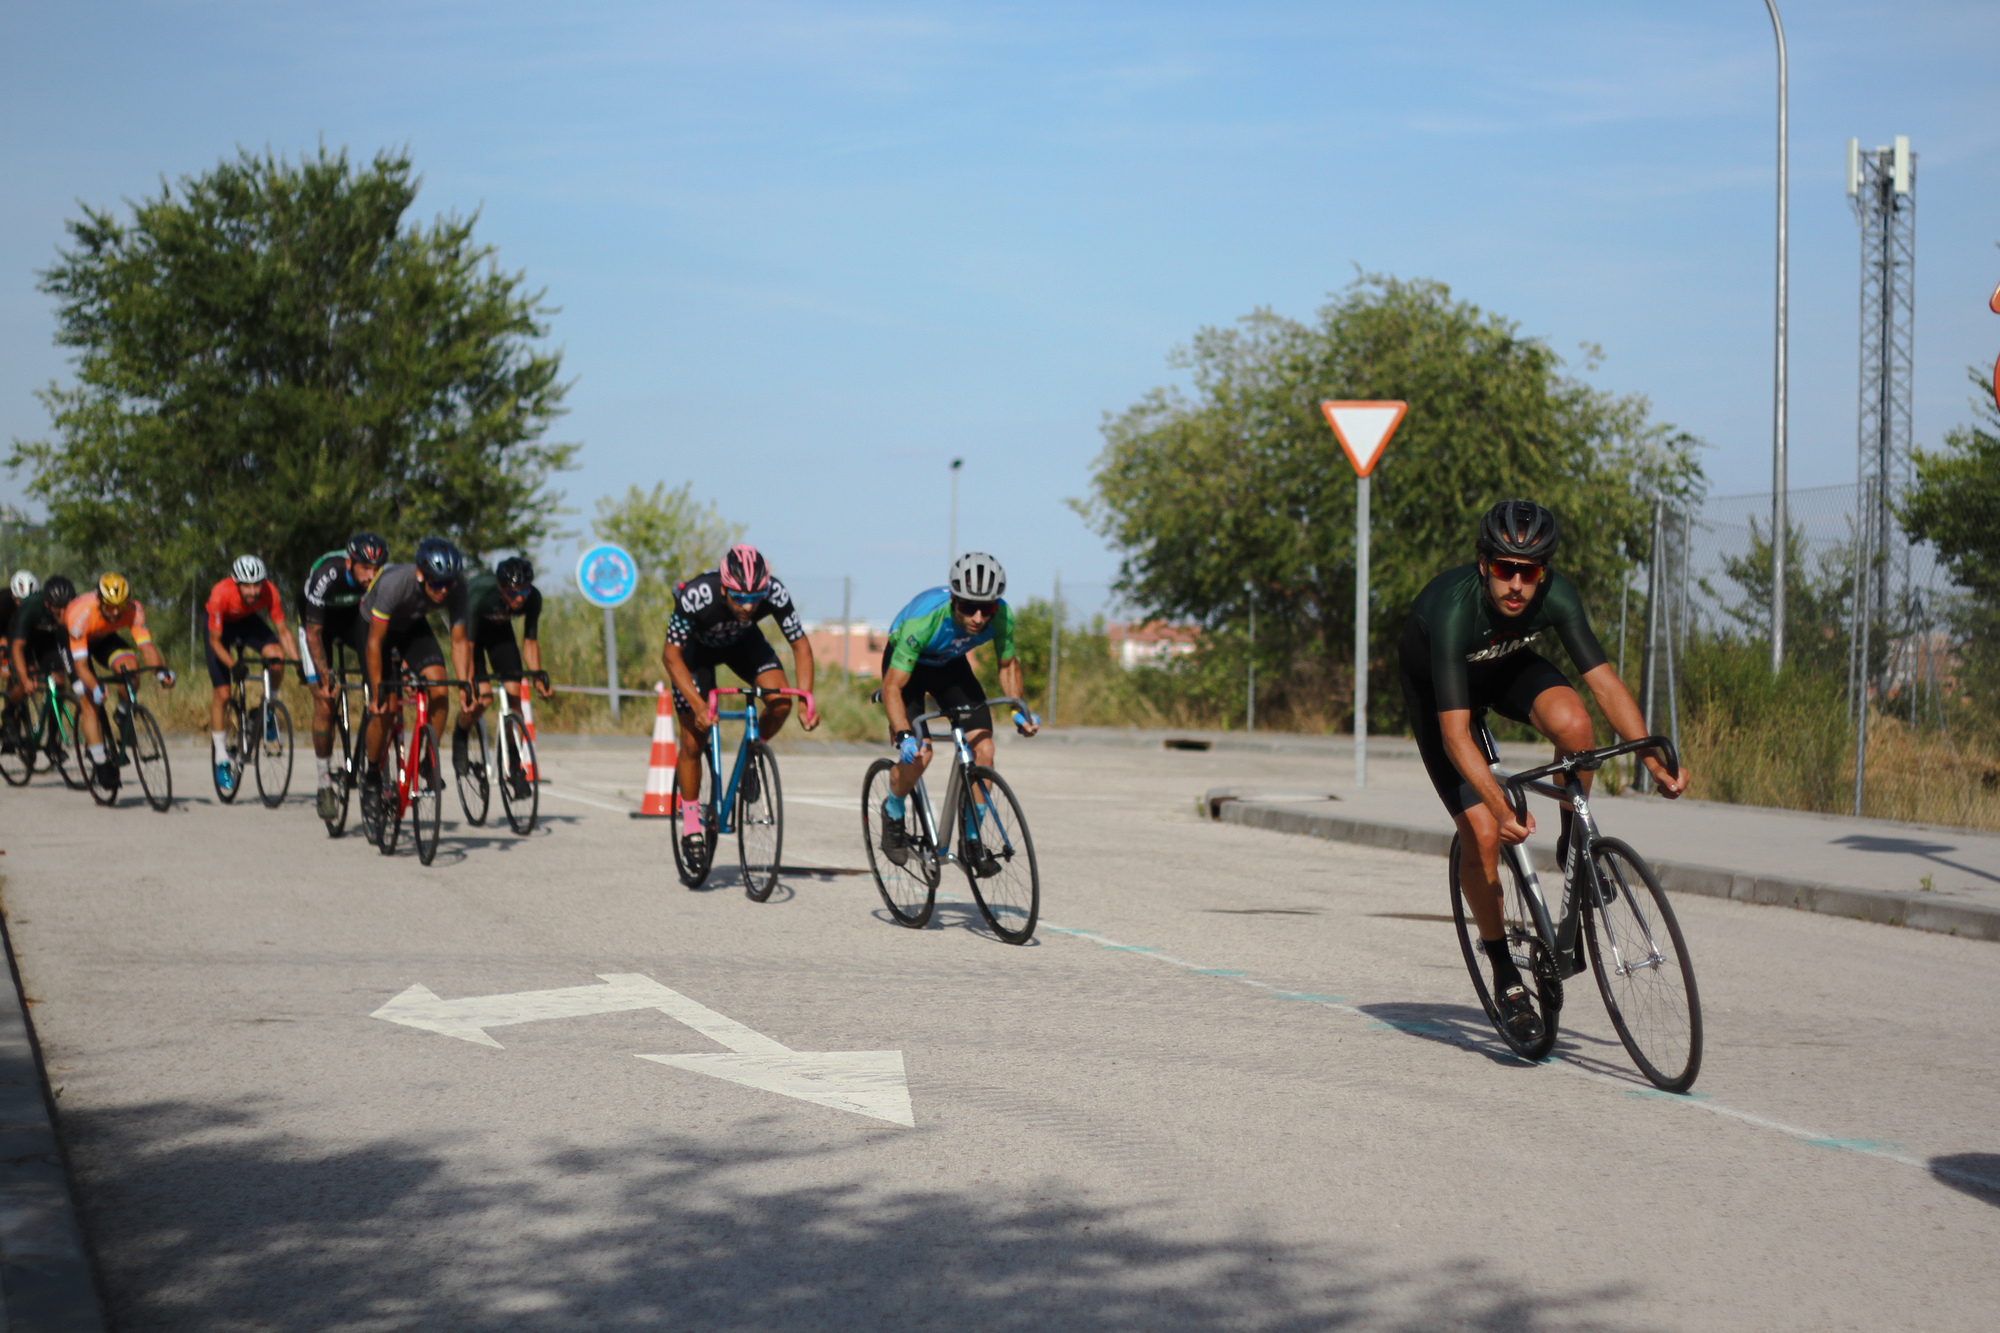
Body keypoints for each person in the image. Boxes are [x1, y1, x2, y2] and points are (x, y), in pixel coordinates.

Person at [1399, 500, 1689, 1046]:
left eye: (1528, 571)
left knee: (1576, 726)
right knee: (1483, 831)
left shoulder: (1556, 596)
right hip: (1443, 690)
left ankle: (1572, 845)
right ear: (1483, 563)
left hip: (1504, 667)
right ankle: (1506, 976)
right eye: (1505, 567)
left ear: (1544, 573)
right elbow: (1456, 737)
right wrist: (1500, 805)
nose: (1516, 583)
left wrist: (1648, 757)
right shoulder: (1452, 610)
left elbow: (1602, 683)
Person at [876, 552, 1039, 872]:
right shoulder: (923, 621)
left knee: (985, 749)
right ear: (954, 600)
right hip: (907, 669)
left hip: (950, 667)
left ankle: (971, 840)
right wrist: (904, 732)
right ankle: (893, 810)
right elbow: (892, 688)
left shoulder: (1003, 616)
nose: (979, 617)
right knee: (920, 754)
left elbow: (1007, 664)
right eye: (969, 607)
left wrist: (1018, 709)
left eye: (987, 608)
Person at [659, 544, 816, 861]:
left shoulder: (775, 593)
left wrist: (805, 697)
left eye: (755, 599)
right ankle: (691, 824)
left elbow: (800, 645)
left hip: (741, 644)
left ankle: (751, 758)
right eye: (740, 598)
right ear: (724, 587)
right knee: (694, 737)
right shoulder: (697, 595)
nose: (748, 606)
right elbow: (671, 656)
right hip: (695, 653)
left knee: (781, 702)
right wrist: (699, 706)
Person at [355, 537, 472, 817]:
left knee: (440, 689)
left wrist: (465, 683)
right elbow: (374, 643)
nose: (443, 591)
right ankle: (371, 776)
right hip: (374, 629)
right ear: (421, 575)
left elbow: (459, 643)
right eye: (436, 584)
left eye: (448, 584)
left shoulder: (456, 588)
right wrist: (376, 690)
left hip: (412, 625)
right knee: (386, 706)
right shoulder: (396, 584)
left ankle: (427, 761)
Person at [301, 533, 387, 818]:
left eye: (376, 569)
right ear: (351, 562)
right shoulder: (329, 573)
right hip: (318, 625)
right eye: (365, 568)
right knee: (325, 702)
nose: (371, 574)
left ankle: (372, 761)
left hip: (354, 621)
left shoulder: (378, 579)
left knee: (381, 688)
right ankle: (324, 780)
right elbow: (313, 632)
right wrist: (325, 677)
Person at [451, 555, 554, 789]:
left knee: (514, 697)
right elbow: (465, 646)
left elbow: (530, 642)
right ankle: (460, 733)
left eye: (524, 592)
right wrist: (465, 683)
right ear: (501, 588)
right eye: (513, 593)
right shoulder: (480, 594)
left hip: (500, 634)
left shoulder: (533, 598)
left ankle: (515, 765)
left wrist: (537, 676)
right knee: (483, 698)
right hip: (472, 637)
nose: (519, 598)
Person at [65, 573, 176, 791]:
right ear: (99, 600)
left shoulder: (133, 611)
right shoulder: (80, 615)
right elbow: (81, 667)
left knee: (130, 669)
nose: (116, 612)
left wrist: (161, 673)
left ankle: (123, 712)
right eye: (110, 606)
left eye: (120, 606)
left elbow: (147, 648)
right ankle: (100, 763)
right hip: (76, 644)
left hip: (105, 638)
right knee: (89, 703)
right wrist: (96, 688)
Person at [204, 555, 300, 795]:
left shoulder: (269, 591)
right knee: (223, 693)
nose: (253, 590)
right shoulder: (220, 594)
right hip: (221, 628)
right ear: (236, 583)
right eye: (246, 585)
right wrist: (233, 665)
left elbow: (283, 631)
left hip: (248, 623)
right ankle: (222, 758)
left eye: (257, 584)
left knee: (276, 658)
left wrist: (299, 663)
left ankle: (267, 710)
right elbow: (215, 642)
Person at [0, 571, 31, 709]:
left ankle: (10, 708)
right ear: (13, 595)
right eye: (19, 600)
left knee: (16, 668)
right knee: (4, 651)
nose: (22, 604)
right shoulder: (3, 601)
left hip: (14, 631)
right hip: (3, 629)